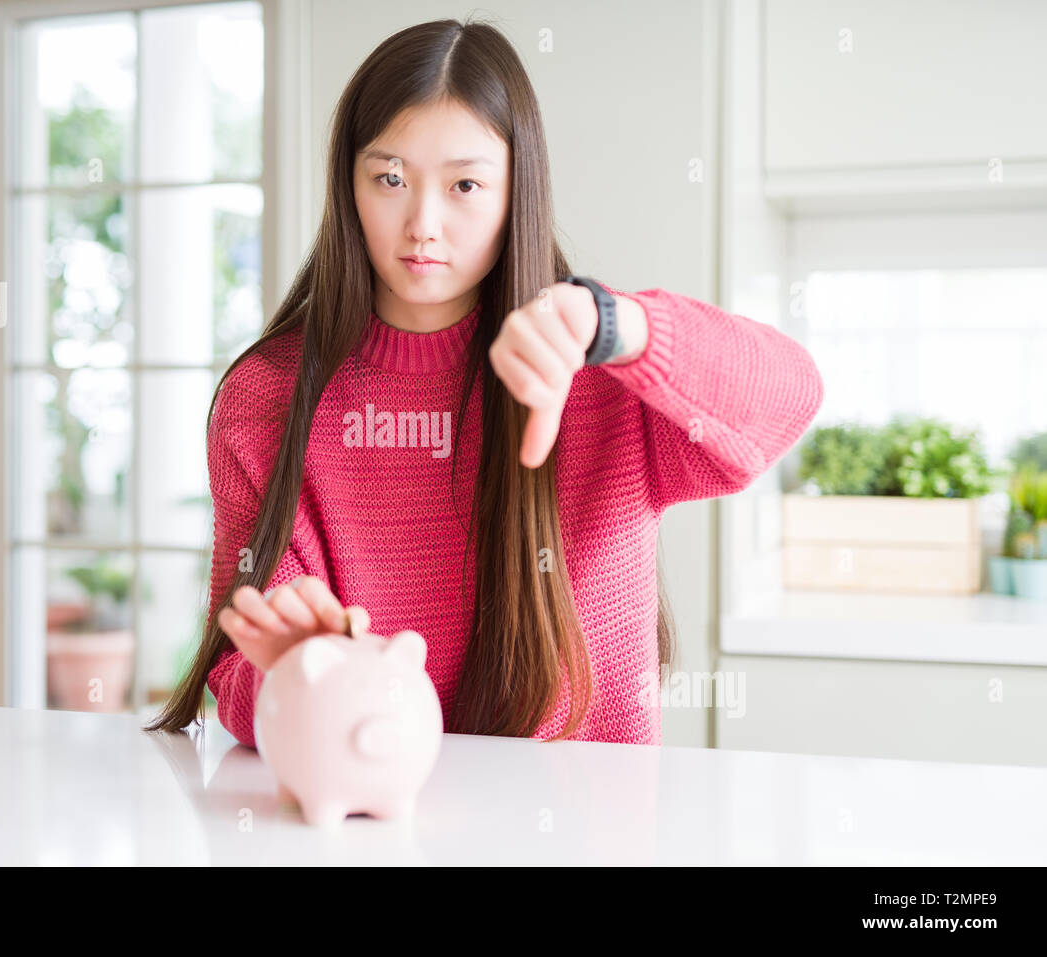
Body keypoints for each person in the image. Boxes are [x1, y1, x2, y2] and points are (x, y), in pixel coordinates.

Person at [144, 16, 823, 748]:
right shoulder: (269, 398)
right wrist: (295, 670)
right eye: (390, 178)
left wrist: (619, 326)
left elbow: (790, 395)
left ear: (514, 190)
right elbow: (239, 675)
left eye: (465, 183)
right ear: (349, 184)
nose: (422, 224)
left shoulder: (600, 376)